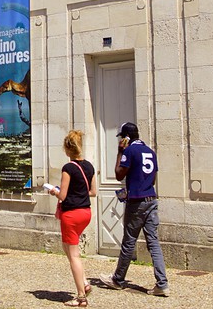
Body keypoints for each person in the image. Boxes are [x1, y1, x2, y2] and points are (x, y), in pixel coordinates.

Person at [99, 121, 170, 297]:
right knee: (153, 242)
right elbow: (152, 179)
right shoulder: (151, 152)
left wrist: (120, 151)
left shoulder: (129, 151)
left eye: (122, 137)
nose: (121, 140)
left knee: (129, 241)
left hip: (137, 201)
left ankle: (118, 279)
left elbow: (118, 174)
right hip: (151, 199)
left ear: (126, 137)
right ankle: (162, 283)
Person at [50, 129, 98, 307]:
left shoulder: (68, 168)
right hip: (85, 212)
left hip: (71, 214)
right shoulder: (89, 166)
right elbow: (93, 192)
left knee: (74, 255)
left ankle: (81, 297)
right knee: (67, 247)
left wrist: (54, 191)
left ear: (67, 149)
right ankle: (84, 283)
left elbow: (62, 195)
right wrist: (78, 192)